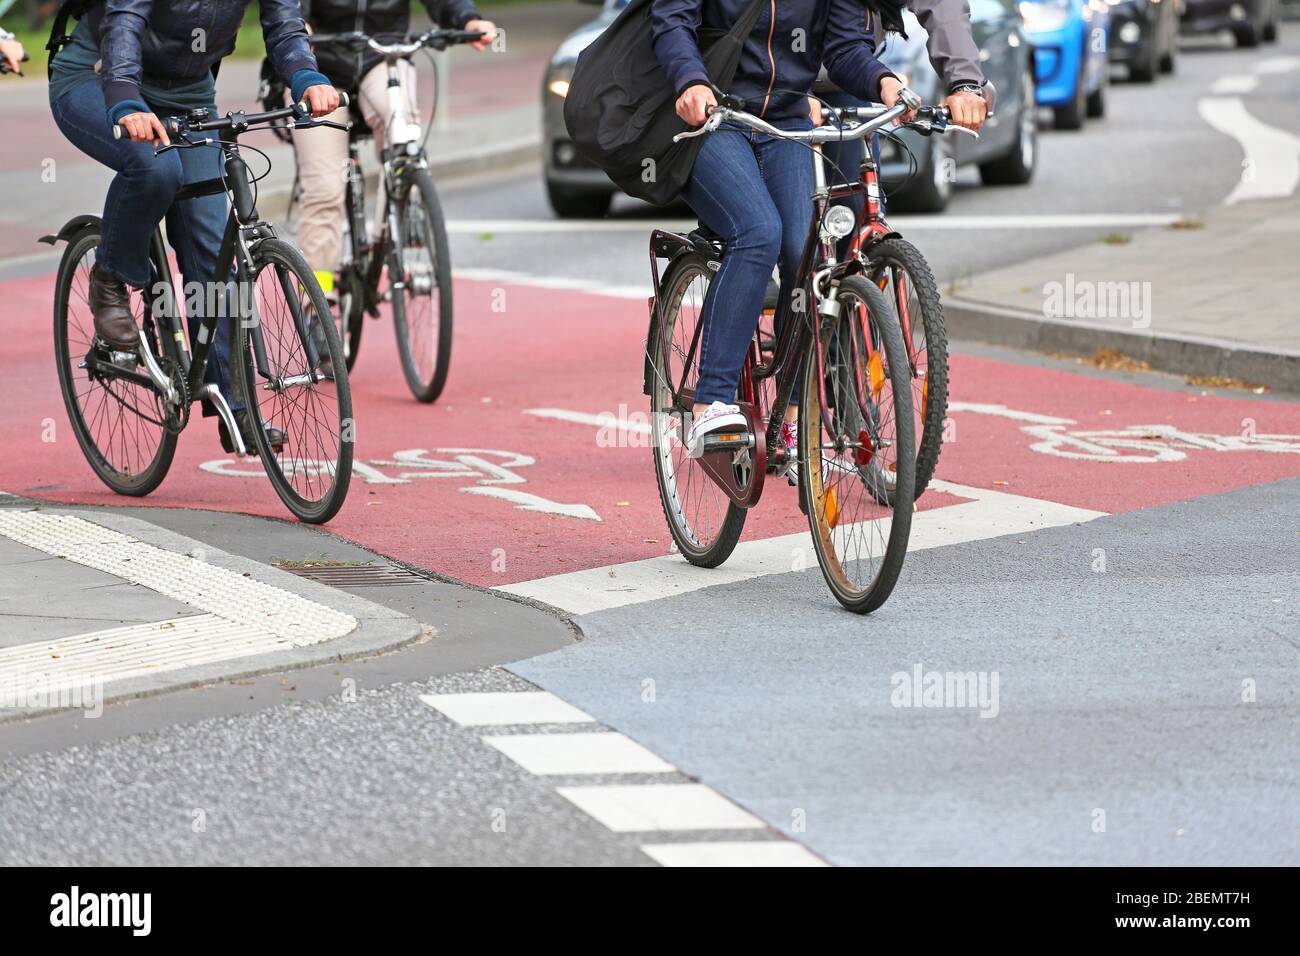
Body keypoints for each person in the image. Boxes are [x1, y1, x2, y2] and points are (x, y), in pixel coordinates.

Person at [48, 1, 339, 453]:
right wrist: (125, 98)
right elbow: (123, 22)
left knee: (209, 242)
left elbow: (284, 25)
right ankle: (110, 278)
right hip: (100, 76)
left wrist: (307, 77)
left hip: (187, 91)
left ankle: (235, 406)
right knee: (154, 172)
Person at [651, 0, 912, 462]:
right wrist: (690, 80)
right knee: (758, 232)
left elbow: (846, 47)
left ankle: (791, 417)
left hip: (786, 123)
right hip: (715, 118)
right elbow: (673, 20)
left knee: (806, 255)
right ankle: (713, 401)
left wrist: (884, 81)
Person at [293, 1, 496, 309]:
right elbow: (287, 10)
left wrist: (467, 20)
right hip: (318, 63)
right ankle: (315, 303)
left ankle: (390, 229)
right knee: (324, 188)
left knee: (402, 133)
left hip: (383, 55)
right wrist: (299, 29)